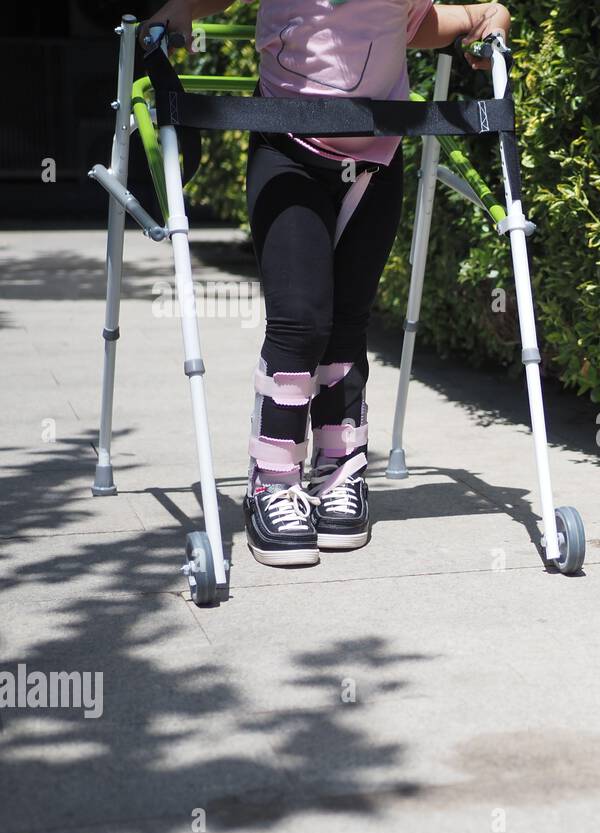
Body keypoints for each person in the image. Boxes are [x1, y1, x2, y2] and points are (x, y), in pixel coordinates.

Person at [143, 0, 511, 566]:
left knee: (347, 322)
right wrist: (184, 10)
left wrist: (479, 17)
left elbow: (414, 24)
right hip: (288, 150)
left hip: (376, 157)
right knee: (300, 320)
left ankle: (340, 473)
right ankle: (273, 481)